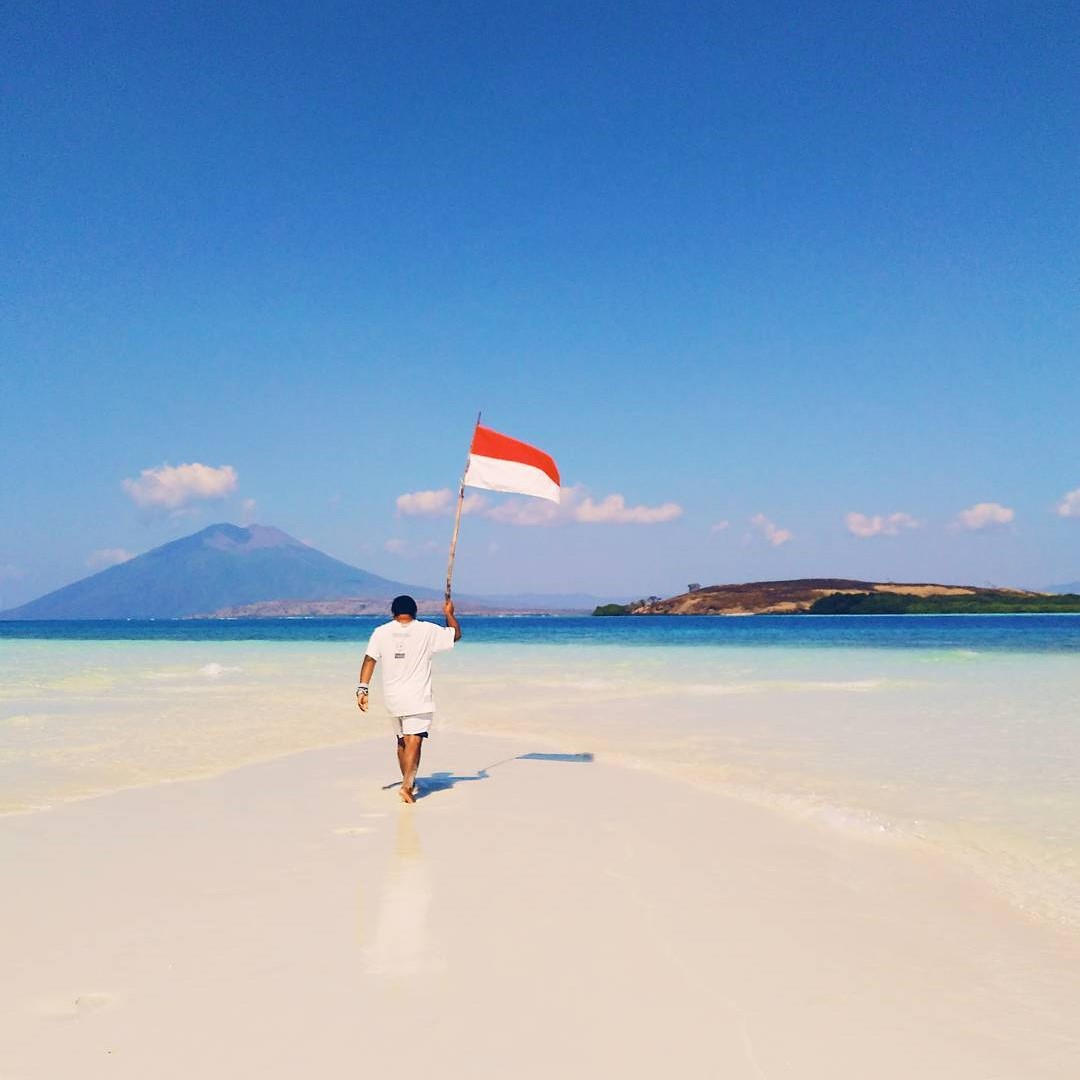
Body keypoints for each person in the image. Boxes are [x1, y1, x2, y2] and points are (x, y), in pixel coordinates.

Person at [356, 595, 461, 803]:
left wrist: (362, 689)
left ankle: (408, 782)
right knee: (415, 740)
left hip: (393, 698)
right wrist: (449, 614)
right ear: (415, 611)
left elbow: (369, 659)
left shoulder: (381, 632)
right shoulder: (427, 630)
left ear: (393, 612)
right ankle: (407, 786)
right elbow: (455, 634)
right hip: (418, 697)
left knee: (402, 741)